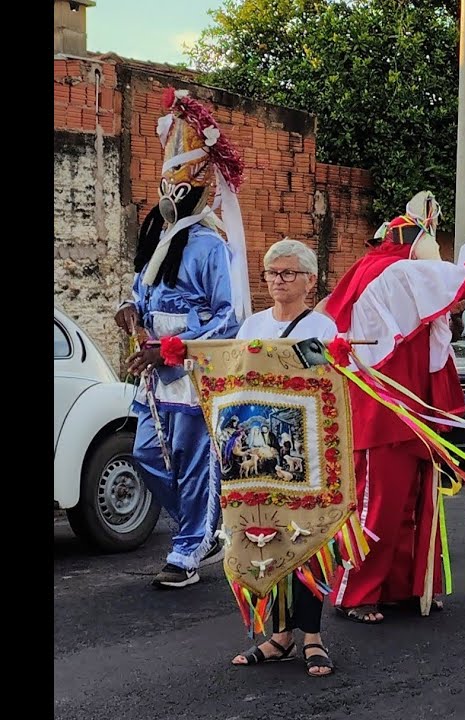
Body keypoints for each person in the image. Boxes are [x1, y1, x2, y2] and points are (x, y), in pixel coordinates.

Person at [321, 191, 465, 623]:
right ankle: (356, 592)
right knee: (378, 502)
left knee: (412, 502)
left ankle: (403, 587)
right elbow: (458, 280)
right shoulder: (390, 273)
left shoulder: (390, 274)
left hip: (410, 411)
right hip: (384, 413)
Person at [114, 87, 250, 588]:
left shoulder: (211, 246)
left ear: (196, 185)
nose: (170, 194)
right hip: (153, 370)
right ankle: (202, 529)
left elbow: (227, 317)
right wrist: (130, 312)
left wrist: (173, 348)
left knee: (193, 462)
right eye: (166, 183)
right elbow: (138, 292)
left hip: (191, 371)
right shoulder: (157, 238)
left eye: (179, 184)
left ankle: (188, 548)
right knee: (149, 456)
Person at [229, 238, 339, 677]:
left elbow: (327, 379)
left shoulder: (324, 328)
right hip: (259, 458)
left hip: (308, 453)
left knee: (309, 540)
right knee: (267, 538)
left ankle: (312, 635)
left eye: (288, 273)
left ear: (310, 281)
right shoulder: (250, 325)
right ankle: (279, 635)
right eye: (272, 273)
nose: (278, 280)